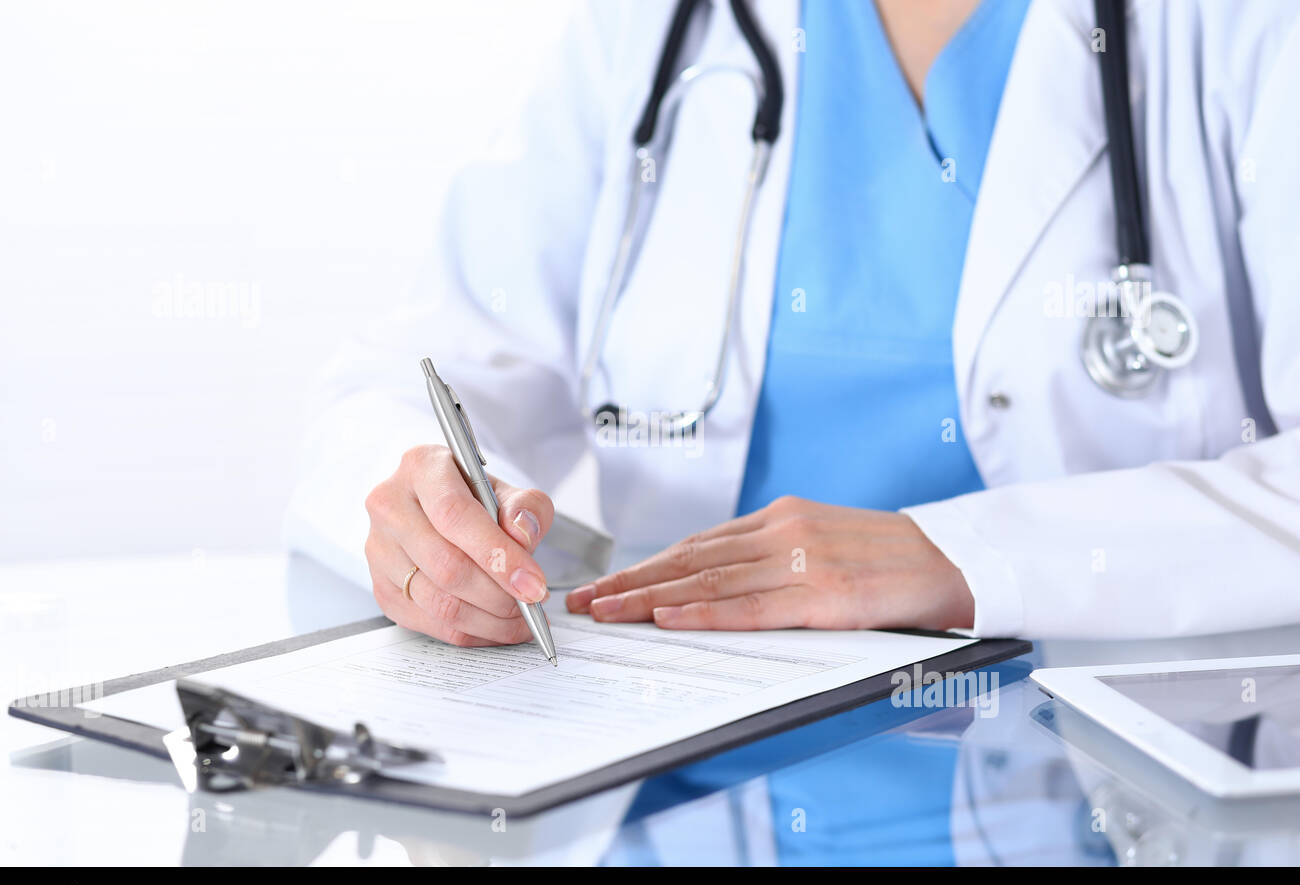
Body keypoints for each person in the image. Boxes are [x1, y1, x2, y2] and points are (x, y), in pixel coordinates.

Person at [287, 0, 1300, 648]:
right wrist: (421, 496)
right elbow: (430, 364)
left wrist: (959, 558)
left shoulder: (1238, 28)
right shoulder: (649, 32)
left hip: (1101, 781)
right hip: (679, 777)